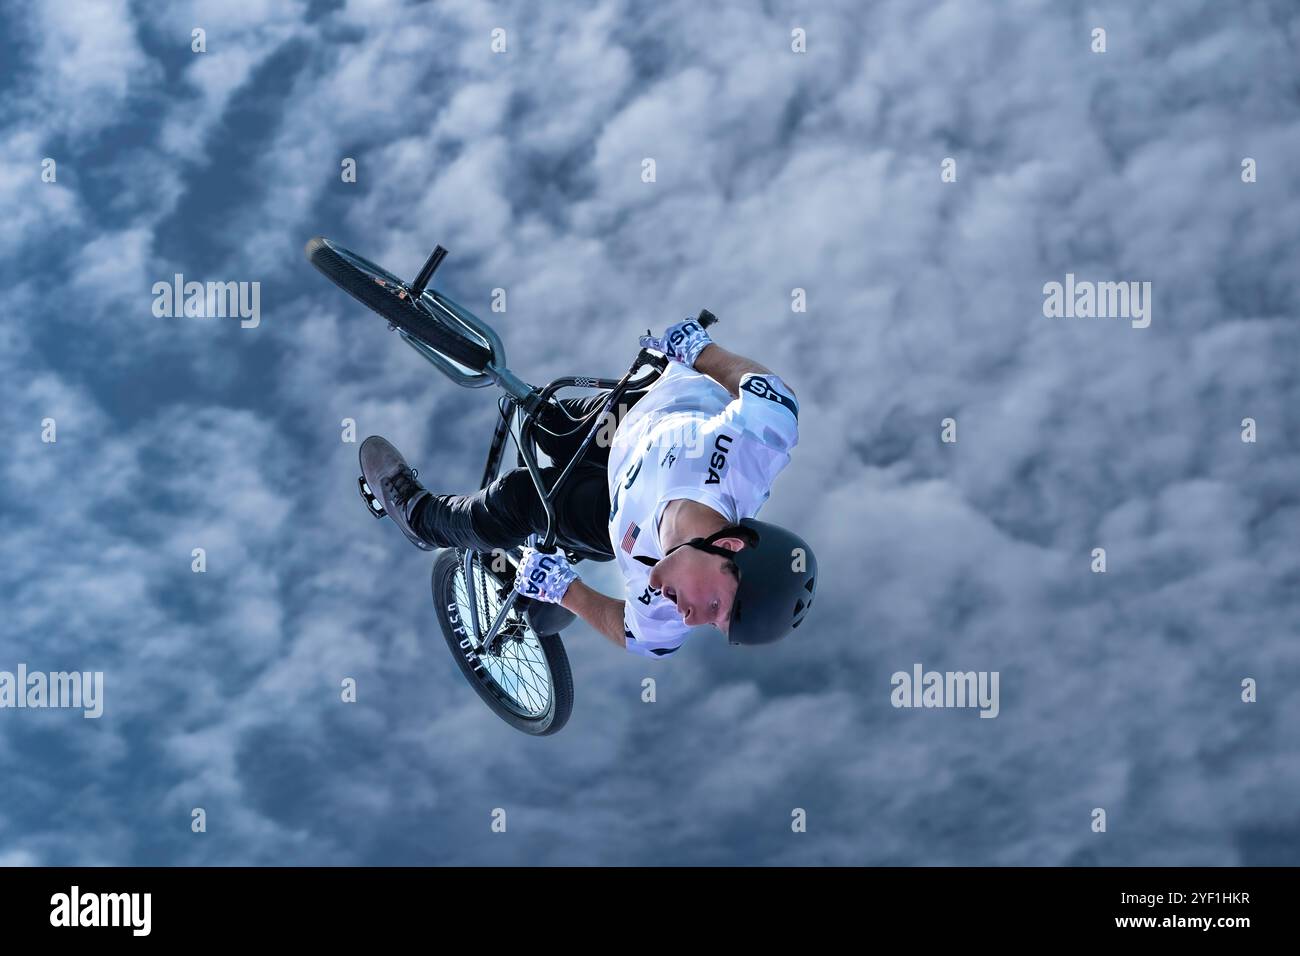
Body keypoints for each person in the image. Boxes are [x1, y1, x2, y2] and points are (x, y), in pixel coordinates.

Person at [359, 317, 817, 658]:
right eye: (714, 604)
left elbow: (632, 634)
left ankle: (420, 518)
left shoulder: (659, 604)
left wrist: (566, 592)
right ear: (731, 545)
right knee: (544, 424)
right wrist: (702, 351)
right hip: (644, 414)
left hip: (611, 514)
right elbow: (774, 398)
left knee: (520, 499)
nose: (691, 618)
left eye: (710, 624)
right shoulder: (742, 460)